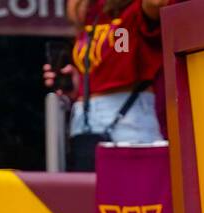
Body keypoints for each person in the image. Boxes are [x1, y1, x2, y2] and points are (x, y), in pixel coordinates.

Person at [42, 0, 175, 169]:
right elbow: (115, 61)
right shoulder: (93, 15)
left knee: (131, 192)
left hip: (128, 120)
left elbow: (157, 3)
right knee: (87, 193)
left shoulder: (132, 14)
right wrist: (80, 85)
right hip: (84, 123)